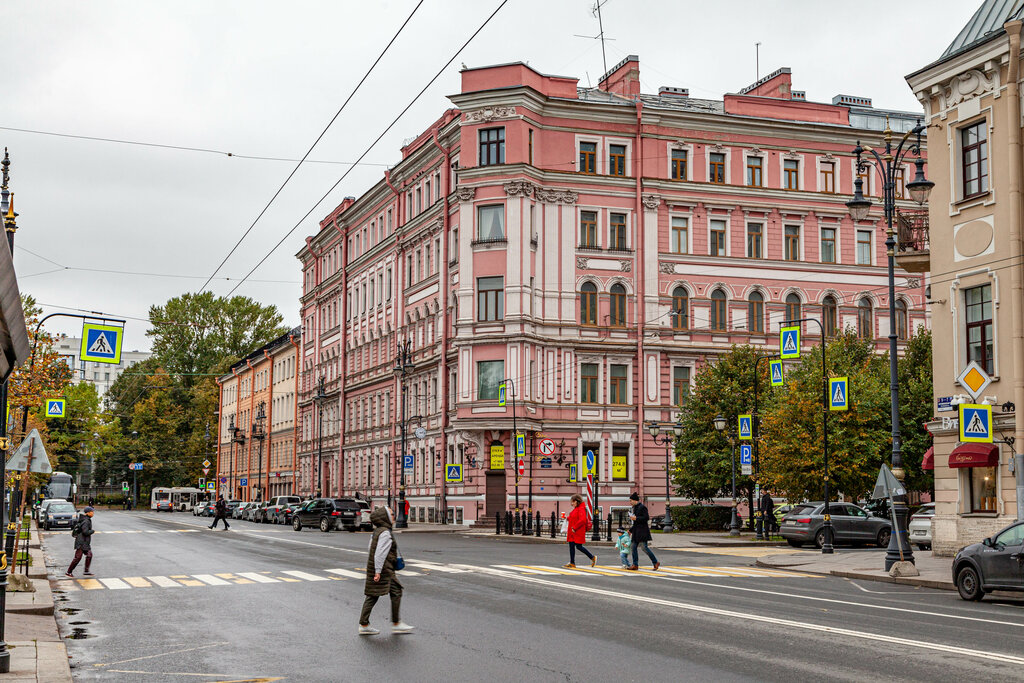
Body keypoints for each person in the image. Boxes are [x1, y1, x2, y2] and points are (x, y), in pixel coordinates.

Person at [359, 506, 413, 636]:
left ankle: (365, 624)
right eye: (392, 514)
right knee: (391, 592)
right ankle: (394, 624)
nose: (394, 516)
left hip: (380, 568)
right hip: (384, 570)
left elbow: (370, 549)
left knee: (375, 595)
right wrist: (378, 571)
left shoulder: (378, 531)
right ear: (385, 518)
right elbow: (379, 554)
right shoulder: (385, 533)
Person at [627, 492, 659, 571]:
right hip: (636, 532)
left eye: (631, 500)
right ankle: (635, 564)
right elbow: (636, 522)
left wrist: (636, 518)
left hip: (642, 531)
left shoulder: (642, 507)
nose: (630, 502)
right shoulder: (635, 508)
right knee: (633, 547)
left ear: (635, 500)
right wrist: (630, 530)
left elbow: (646, 518)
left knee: (644, 548)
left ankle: (655, 562)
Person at [564, 494, 595, 569]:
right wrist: (567, 518)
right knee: (571, 546)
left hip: (577, 531)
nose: (572, 504)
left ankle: (592, 557)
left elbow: (582, 520)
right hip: (573, 531)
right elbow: (575, 517)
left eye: (573, 502)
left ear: (577, 501)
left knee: (579, 546)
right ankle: (572, 563)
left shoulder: (581, 508)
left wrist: (574, 527)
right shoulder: (577, 508)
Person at [65, 506, 95, 577]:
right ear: (88, 513)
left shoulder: (85, 519)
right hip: (81, 542)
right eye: (92, 512)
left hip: (85, 542)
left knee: (89, 555)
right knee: (78, 557)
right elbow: (85, 532)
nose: (93, 513)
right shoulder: (86, 521)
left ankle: (86, 571)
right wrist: (92, 531)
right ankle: (68, 572)